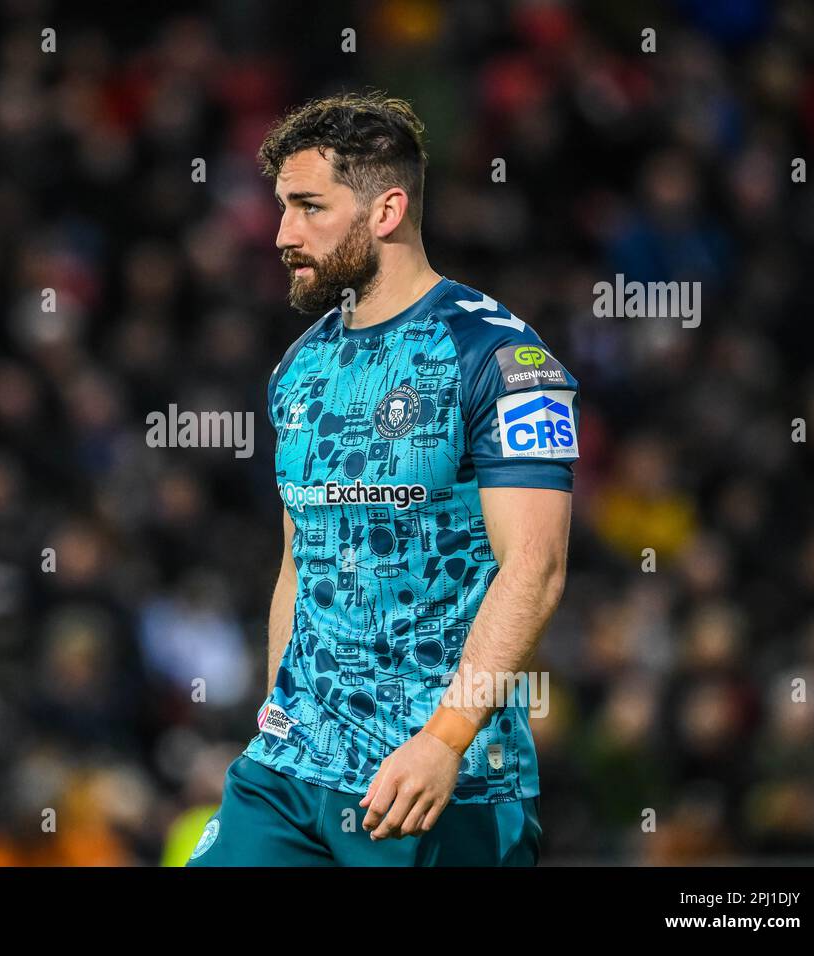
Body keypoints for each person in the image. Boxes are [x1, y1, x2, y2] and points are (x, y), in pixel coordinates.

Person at [188, 92, 578, 866]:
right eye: (281, 208)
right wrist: (278, 716)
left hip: (435, 785)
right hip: (289, 773)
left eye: (308, 207)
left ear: (386, 210)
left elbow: (535, 570)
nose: (282, 234)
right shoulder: (298, 370)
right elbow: (302, 561)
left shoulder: (503, 360)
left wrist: (444, 742)